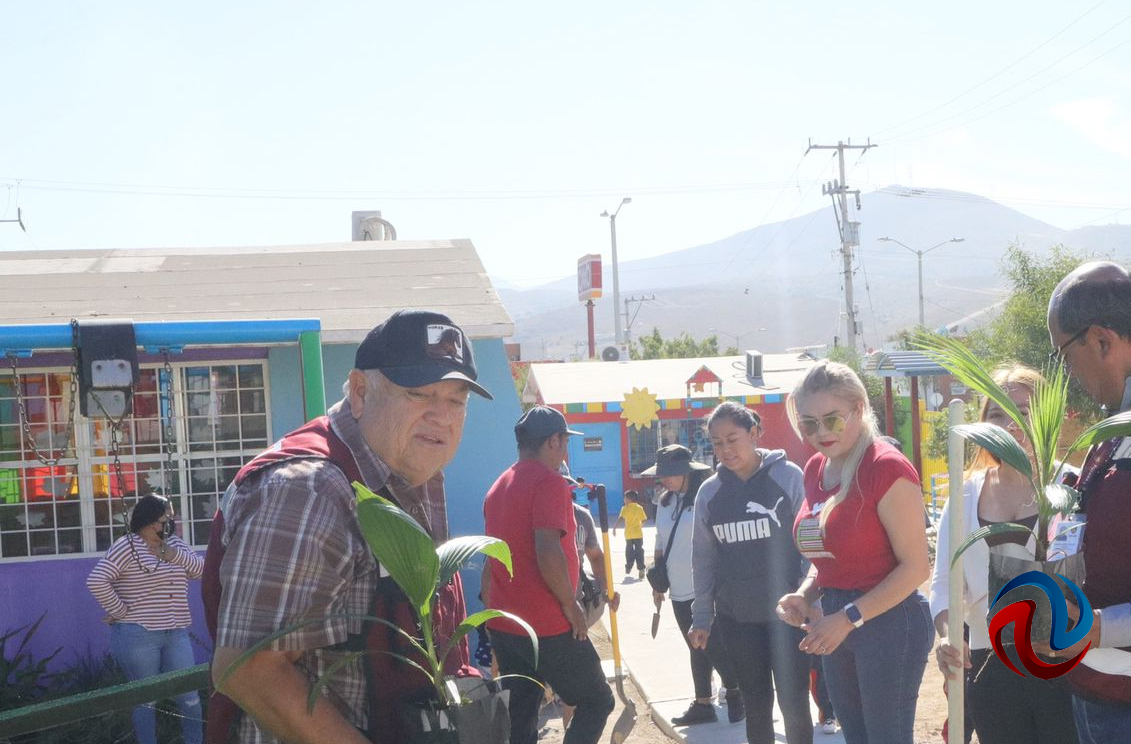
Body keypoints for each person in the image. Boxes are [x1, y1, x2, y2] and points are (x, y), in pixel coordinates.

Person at [206, 309, 491, 744]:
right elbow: (248, 670)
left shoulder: (414, 470)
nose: (442, 416)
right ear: (360, 392)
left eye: (457, 400)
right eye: (419, 393)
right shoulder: (311, 491)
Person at [777, 360, 933, 744]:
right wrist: (806, 593)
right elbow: (826, 557)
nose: (820, 433)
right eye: (808, 423)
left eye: (831, 419)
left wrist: (847, 617)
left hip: (889, 623)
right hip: (836, 621)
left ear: (859, 410)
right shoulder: (816, 468)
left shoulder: (886, 468)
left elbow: (916, 568)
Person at [929, 365, 1079, 744]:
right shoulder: (963, 495)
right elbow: (945, 584)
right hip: (990, 667)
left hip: (1069, 668)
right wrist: (949, 634)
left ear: (1047, 418)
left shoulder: (1075, 486)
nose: (1010, 425)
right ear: (982, 424)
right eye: (997, 413)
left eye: (1023, 412)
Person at [483, 405, 615, 744]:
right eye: (565, 442)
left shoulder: (498, 486)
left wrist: (488, 617)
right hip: (547, 623)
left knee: (523, 712)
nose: (565, 451)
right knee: (597, 701)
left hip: (505, 623)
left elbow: (490, 558)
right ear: (554, 441)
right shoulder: (550, 482)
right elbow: (547, 550)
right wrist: (571, 605)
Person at [689, 402, 813, 744]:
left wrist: (811, 599)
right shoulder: (709, 493)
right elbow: (703, 559)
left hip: (788, 617)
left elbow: (811, 546)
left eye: (733, 439)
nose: (725, 449)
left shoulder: (788, 477)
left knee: (794, 704)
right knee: (756, 705)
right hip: (737, 619)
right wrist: (702, 616)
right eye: (716, 443)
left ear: (755, 433)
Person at [1046, 261, 1131, 742]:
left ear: (1101, 340)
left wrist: (1097, 628)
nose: (1068, 373)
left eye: (1064, 354)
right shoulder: (1111, 429)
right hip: (1097, 690)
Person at [86, 494, 204, 744]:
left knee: (190, 696)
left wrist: (173, 555)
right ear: (149, 521)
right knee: (146, 699)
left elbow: (200, 570)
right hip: (139, 634)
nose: (169, 525)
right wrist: (120, 612)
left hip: (176, 632)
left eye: (171, 519)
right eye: (164, 520)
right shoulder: (126, 546)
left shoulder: (175, 544)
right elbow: (97, 580)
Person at [643, 443, 744, 727]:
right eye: (662, 475)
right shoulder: (664, 502)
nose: (664, 480)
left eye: (669, 474)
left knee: (712, 645)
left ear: (687, 472)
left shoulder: (707, 497)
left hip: (706, 587)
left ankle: (736, 690)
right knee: (695, 646)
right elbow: (660, 542)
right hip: (676, 587)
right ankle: (703, 703)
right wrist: (657, 580)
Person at [613, 489, 647, 579]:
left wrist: (615, 527)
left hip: (628, 535)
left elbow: (621, 518)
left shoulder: (624, 508)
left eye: (624, 498)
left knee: (629, 551)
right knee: (639, 551)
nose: (624, 500)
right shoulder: (639, 508)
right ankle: (641, 569)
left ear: (629, 499)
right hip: (638, 534)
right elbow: (644, 519)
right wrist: (640, 526)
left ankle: (628, 566)